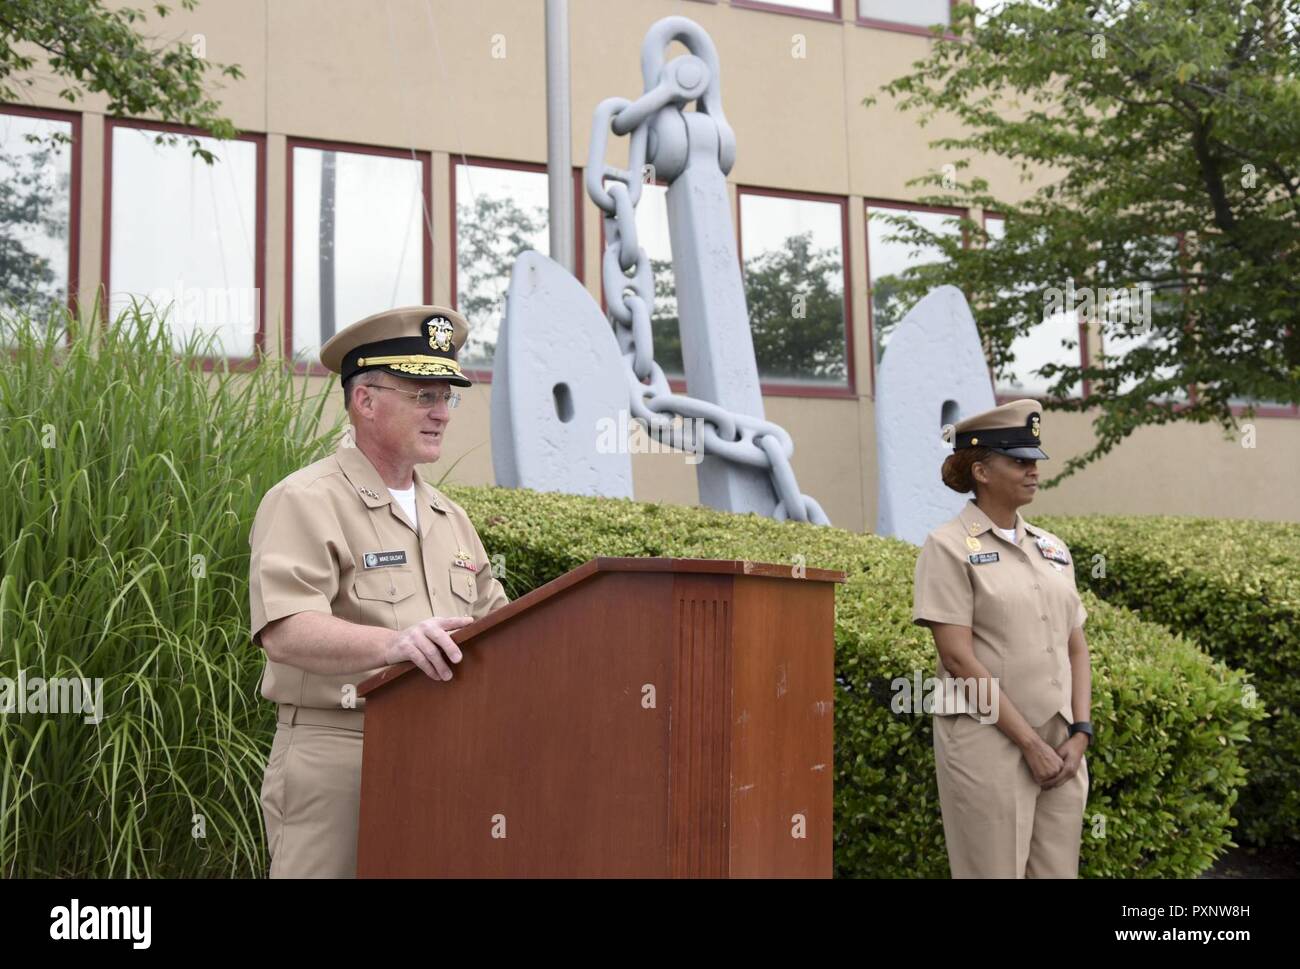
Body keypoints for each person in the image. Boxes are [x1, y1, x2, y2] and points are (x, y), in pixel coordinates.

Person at [248, 305, 509, 878]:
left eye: (448, 397)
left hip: (446, 757)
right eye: (423, 396)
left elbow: (504, 629)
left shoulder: (451, 518)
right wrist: (394, 645)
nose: (442, 413)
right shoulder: (306, 500)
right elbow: (285, 630)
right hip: (341, 753)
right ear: (365, 400)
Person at [911, 398, 1093, 878]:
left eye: (1034, 460)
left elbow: (1076, 646)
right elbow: (956, 657)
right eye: (1019, 460)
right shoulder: (947, 546)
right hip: (987, 738)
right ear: (982, 472)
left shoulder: (1053, 549)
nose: (1033, 471)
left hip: (1062, 741)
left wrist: (1081, 732)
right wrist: (1029, 744)